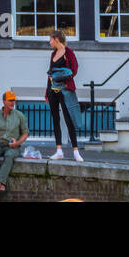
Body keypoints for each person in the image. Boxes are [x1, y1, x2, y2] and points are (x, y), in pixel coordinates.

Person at [46, 30, 84, 161]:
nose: (49, 42)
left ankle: (75, 151)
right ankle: (59, 150)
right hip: (53, 90)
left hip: (65, 90)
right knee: (55, 120)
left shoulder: (69, 53)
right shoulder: (53, 54)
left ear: (56, 39)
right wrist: (47, 92)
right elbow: (50, 74)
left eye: (51, 39)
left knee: (69, 120)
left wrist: (60, 75)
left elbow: (74, 70)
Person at [0, 90, 30, 198]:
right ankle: (1, 184)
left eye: (13, 100)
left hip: (13, 146)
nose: (12, 102)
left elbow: (25, 133)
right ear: (4, 102)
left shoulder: (20, 116)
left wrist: (17, 143)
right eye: (10, 100)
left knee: (9, 155)